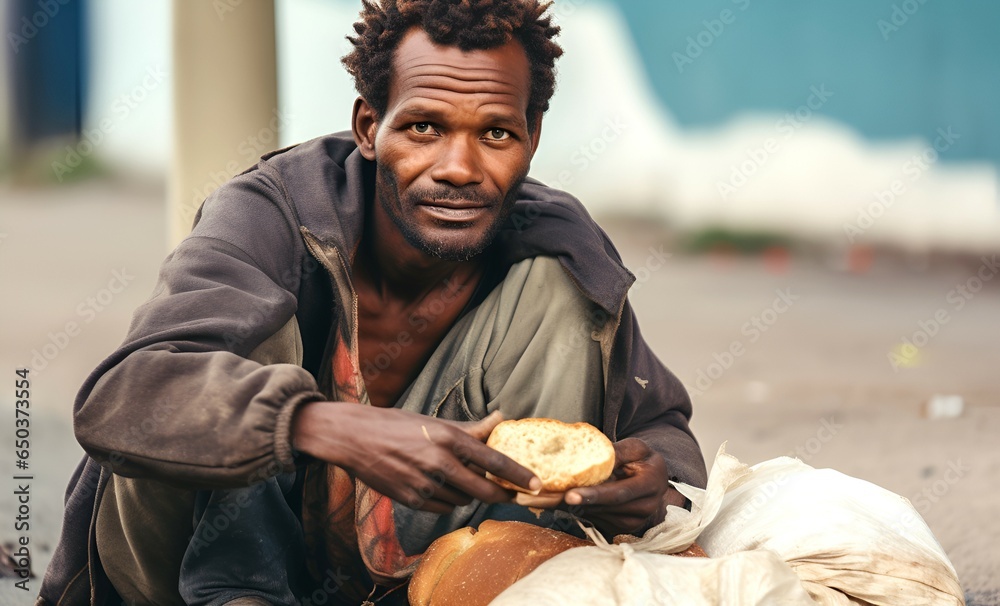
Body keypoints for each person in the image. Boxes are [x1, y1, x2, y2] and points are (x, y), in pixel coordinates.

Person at [38, 1, 707, 604]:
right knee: (237, 341)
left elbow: (660, 427)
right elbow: (124, 397)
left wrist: (654, 489)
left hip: (427, 577)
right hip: (196, 576)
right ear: (368, 127)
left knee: (559, 291)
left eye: (496, 134)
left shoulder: (562, 245)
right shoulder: (275, 212)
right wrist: (328, 427)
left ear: (531, 136)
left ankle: (505, 584)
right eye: (422, 127)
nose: (458, 167)